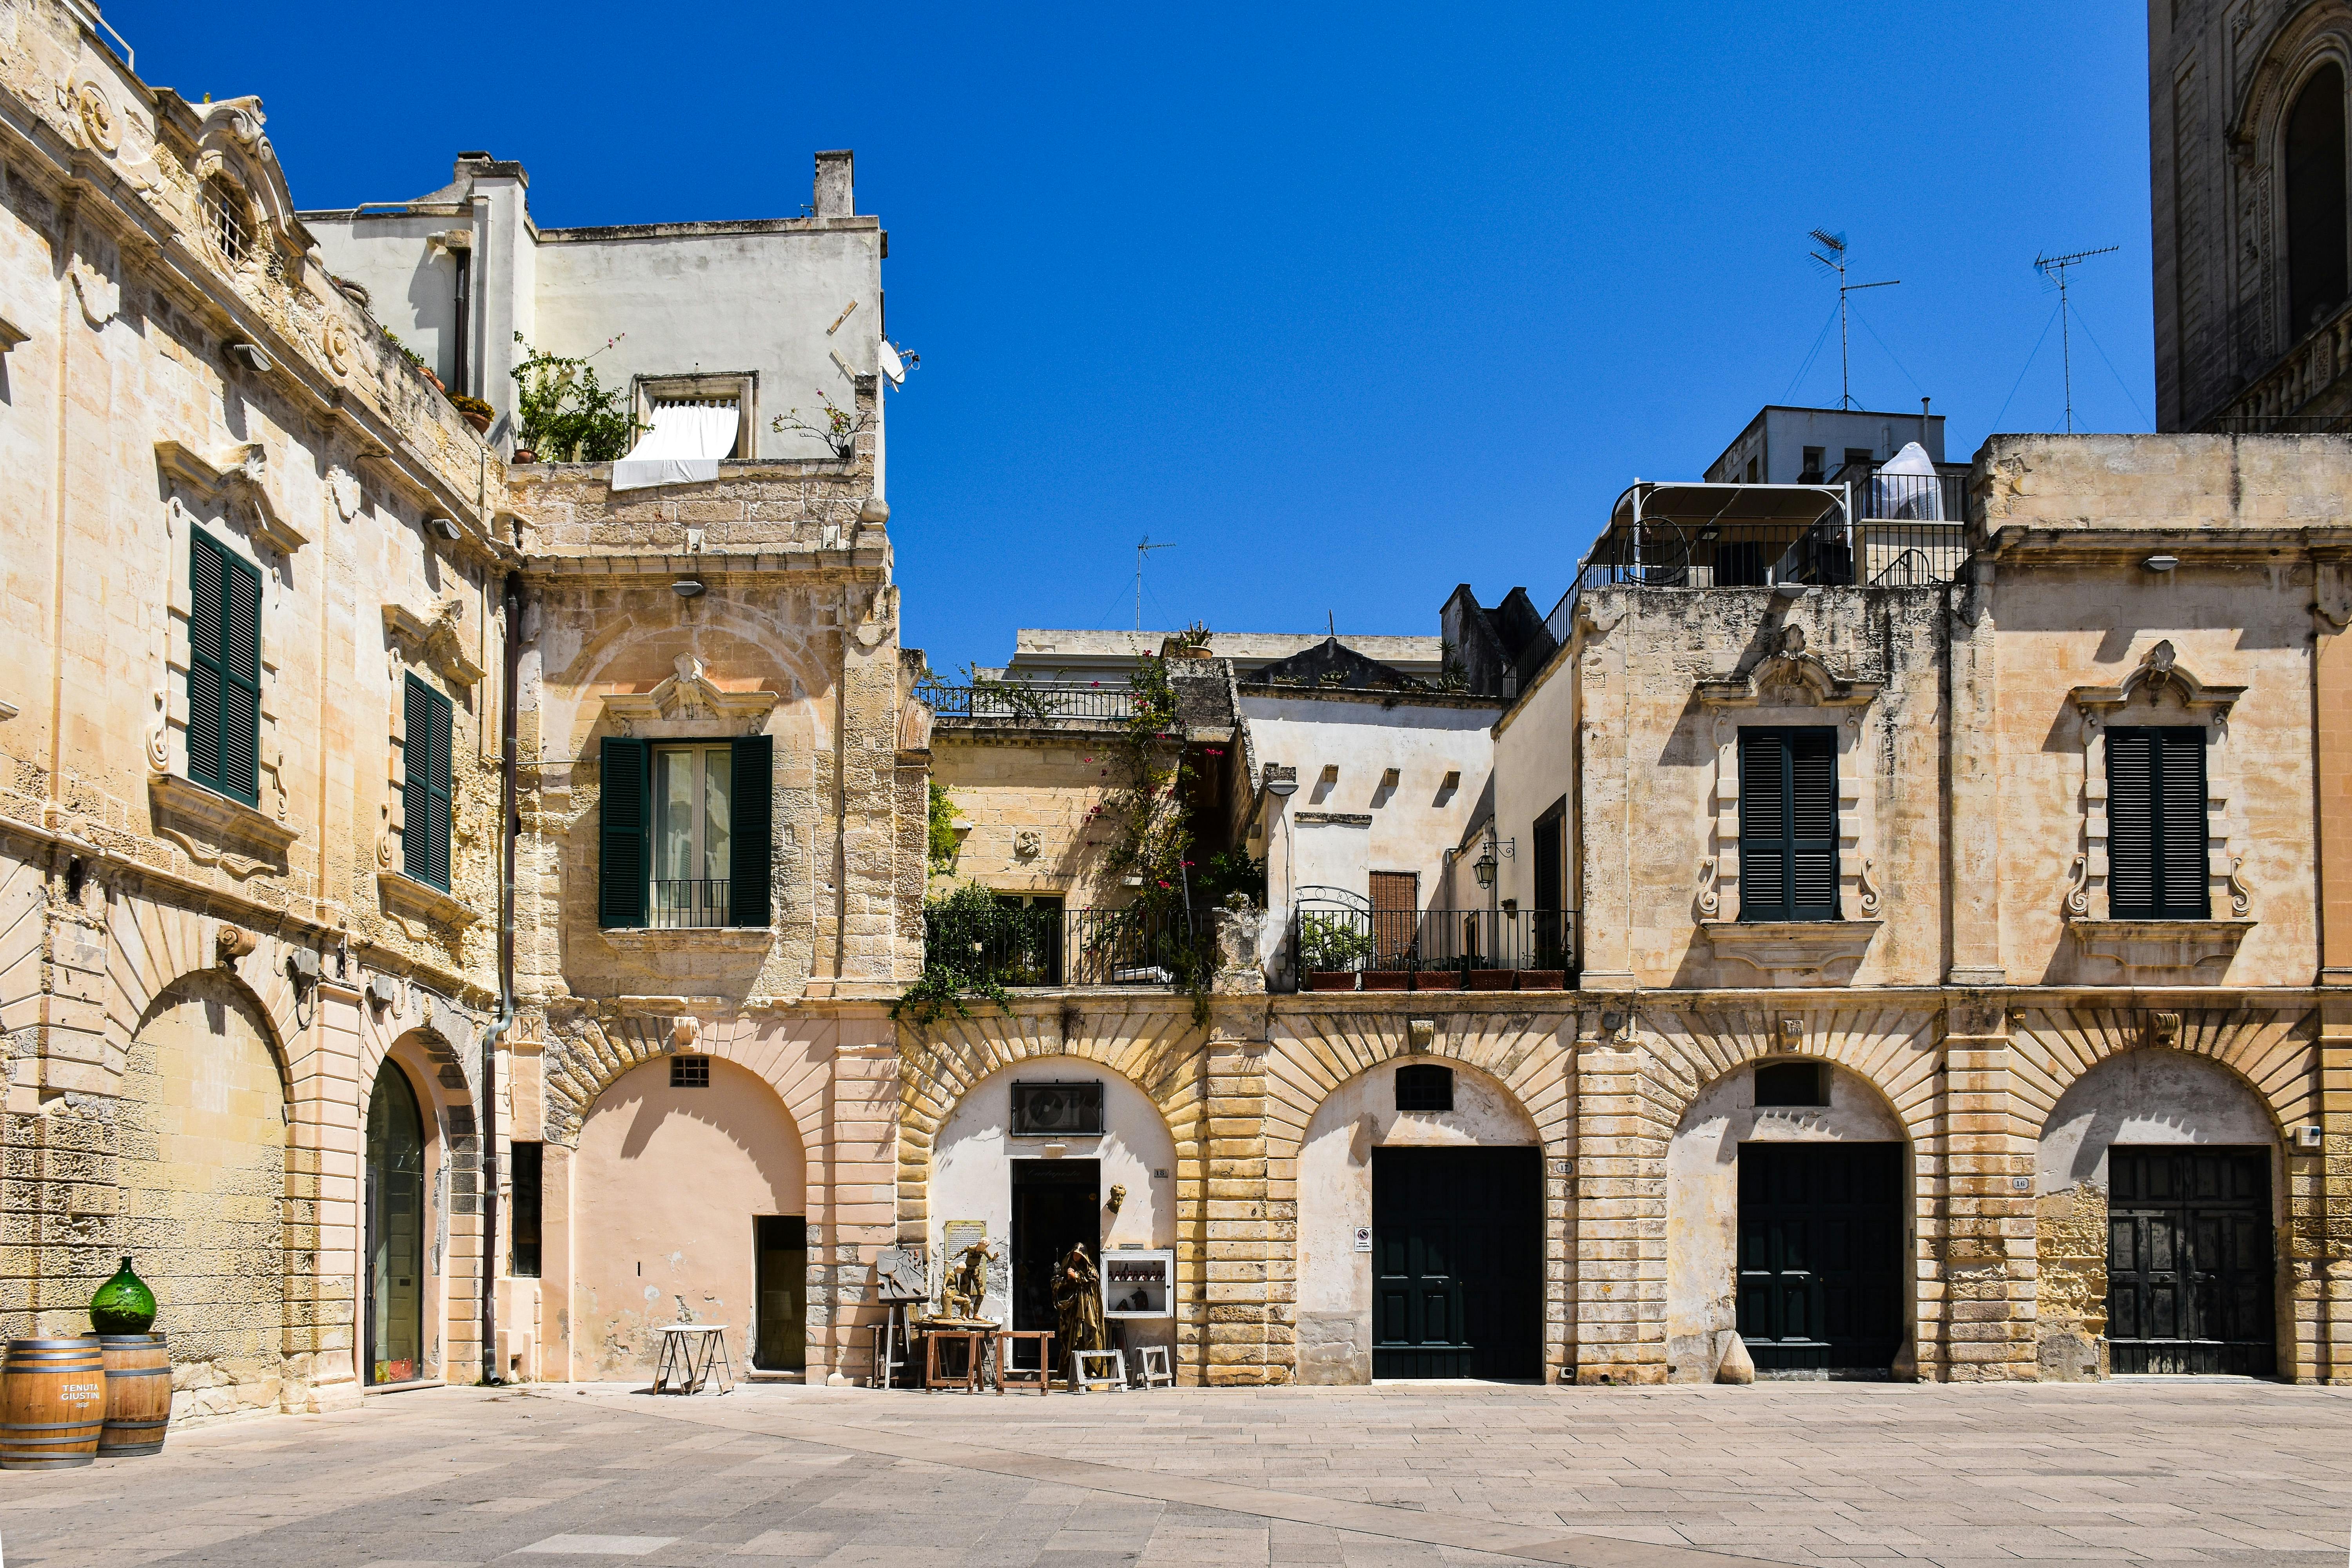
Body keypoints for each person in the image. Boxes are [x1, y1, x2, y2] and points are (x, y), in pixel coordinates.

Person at [1051, 1241, 1105, 1385]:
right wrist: (1067, 1279)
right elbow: (1056, 1282)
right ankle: (1070, 1371)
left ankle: (1091, 1369)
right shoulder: (1066, 1266)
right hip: (1071, 1310)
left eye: (1079, 1255)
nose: (1076, 1257)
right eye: (1075, 1254)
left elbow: (1093, 1280)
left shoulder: (1089, 1268)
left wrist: (1077, 1277)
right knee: (1070, 1338)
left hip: (1087, 1308)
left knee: (1088, 1334)